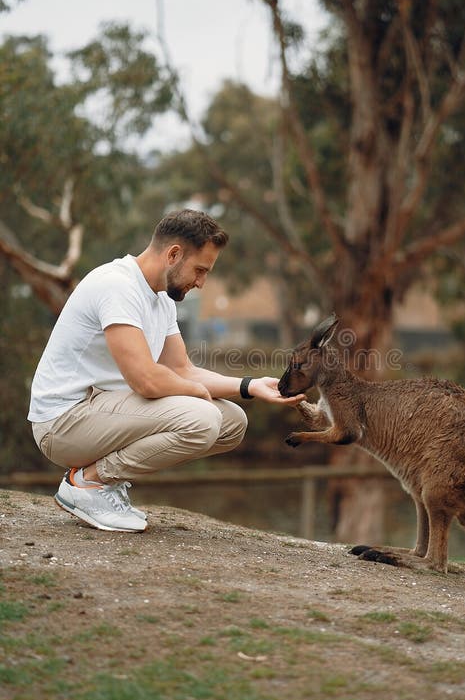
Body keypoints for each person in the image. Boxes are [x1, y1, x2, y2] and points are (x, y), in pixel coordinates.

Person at [28, 208, 304, 533]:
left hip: (100, 411)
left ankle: (98, 482)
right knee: (203, 419)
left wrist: (250, 385)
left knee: (231, 422)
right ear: (173, 254)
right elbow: (145, 379)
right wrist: (197, 395)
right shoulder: (118, 286)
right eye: (200, 270)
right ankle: (88, 484)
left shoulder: (163, 300)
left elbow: (182, 370)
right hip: (62, 423)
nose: (202, 282)